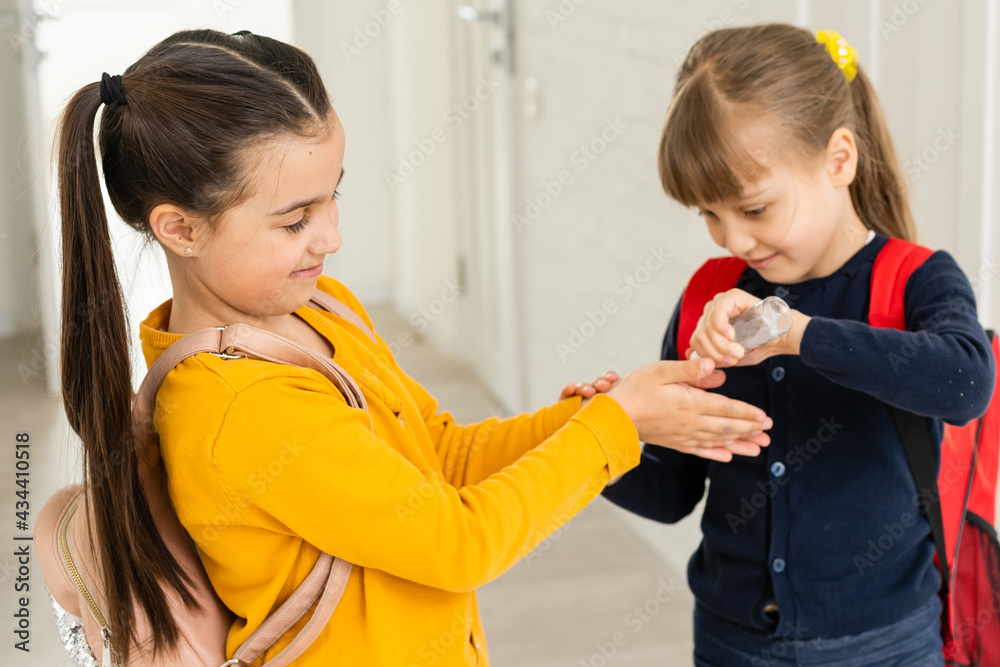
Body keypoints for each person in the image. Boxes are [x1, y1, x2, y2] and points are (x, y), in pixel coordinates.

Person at [55, 28, 773, 665]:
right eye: (295, 220)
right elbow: (457, 542)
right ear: (181, 229)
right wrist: (611, 428)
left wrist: (595, 417)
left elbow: (442, 457)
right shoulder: (240, 408)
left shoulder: (321, 308)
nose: (331, 236)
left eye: (333, 196)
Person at [602, 24, 996, 667]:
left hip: (886, 644)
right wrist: (599, 434)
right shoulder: (709, 294)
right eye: (709, 214)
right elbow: (671, 492)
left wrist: (795, 333)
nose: (732, 240)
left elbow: (965, 384)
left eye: (754, 209)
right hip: (731, 640)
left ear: (838, 160)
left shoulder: (915, 279)